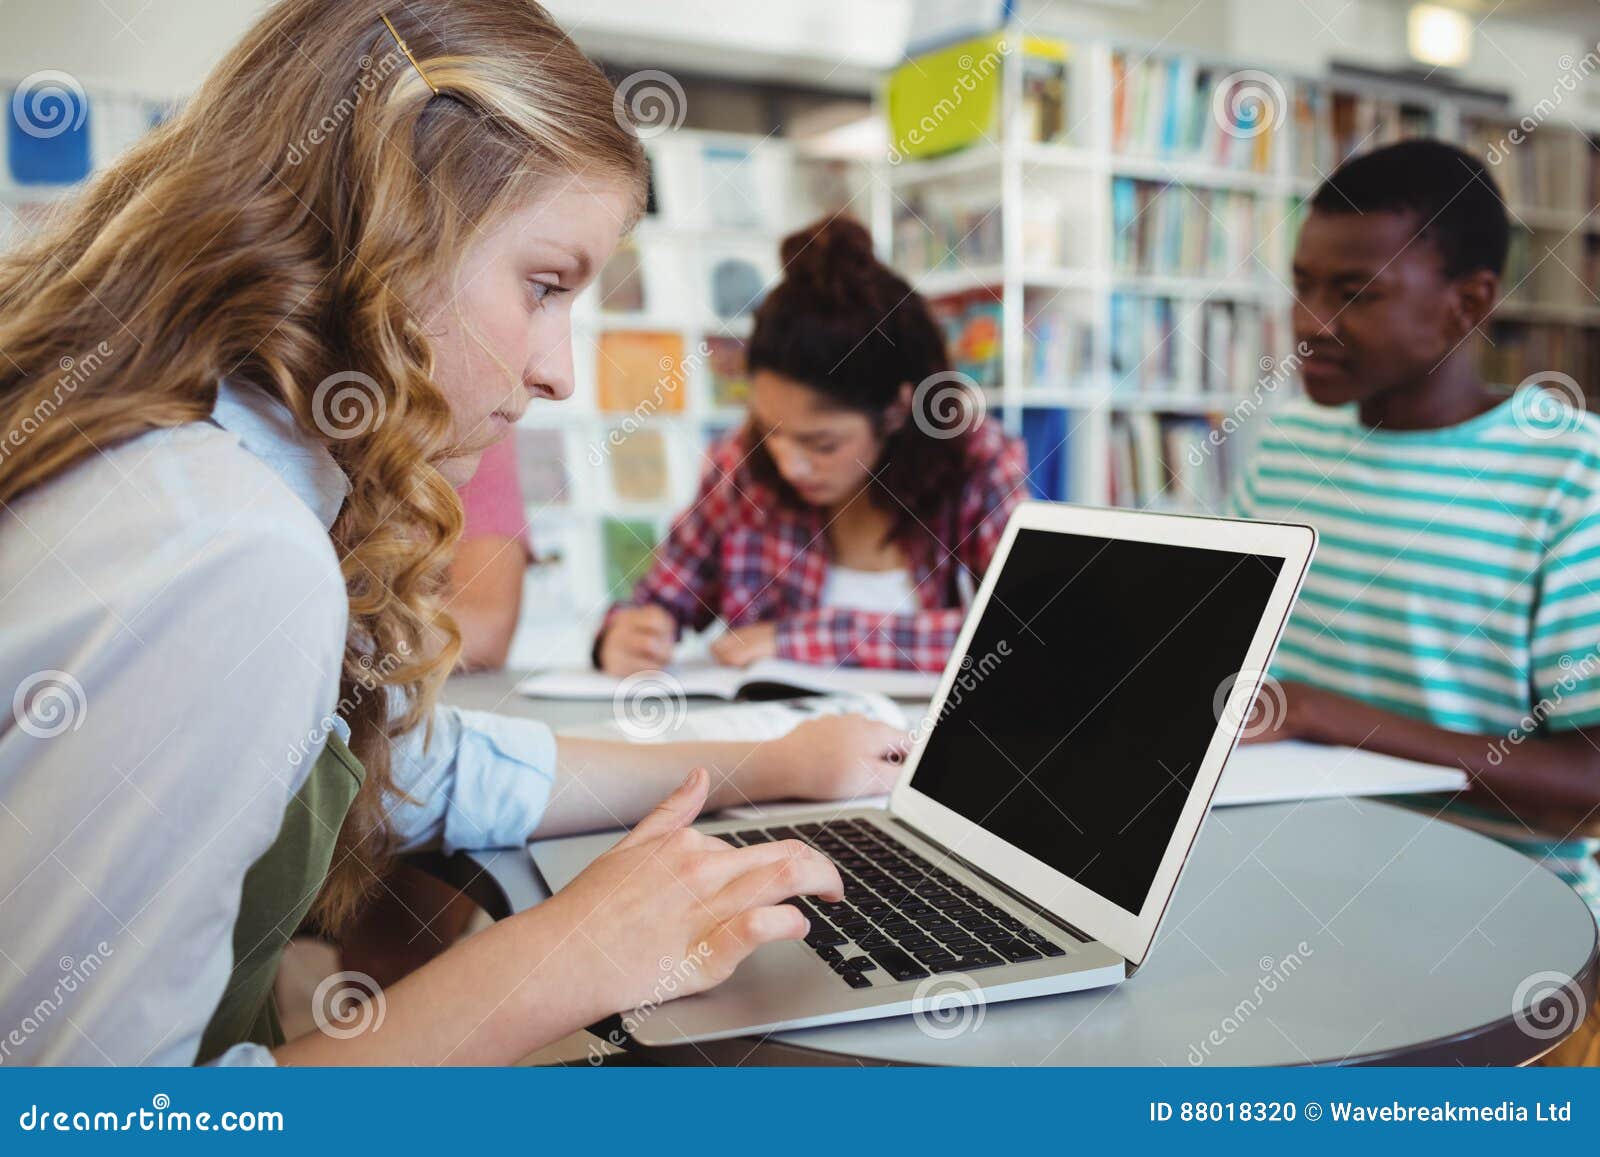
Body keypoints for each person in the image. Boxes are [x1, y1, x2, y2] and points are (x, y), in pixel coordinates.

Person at [0, 0, 908, 1066]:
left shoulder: (207, 466)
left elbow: (410, 760)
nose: (560, 372)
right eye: (543, 285)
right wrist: (564, 953)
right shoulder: (233, 553)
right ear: (386, 229)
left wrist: (769, 759)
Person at [1230, 139, 1600, 1064]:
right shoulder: (1287, 445)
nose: (1308, 322)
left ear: (1467, 303)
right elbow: (1230, 662)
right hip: (1273, 902)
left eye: (1354, 292)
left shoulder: (1571, 475)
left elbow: (1589, 794)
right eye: (1302, 283)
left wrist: (1323, 717)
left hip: (1488, 944)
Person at [595, 216, 1028, 676]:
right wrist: (626, 636)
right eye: (770, 431)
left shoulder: (976, 461)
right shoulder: (739, 463)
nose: (788, 464)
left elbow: (1022, 631)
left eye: (821, 443)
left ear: (899, 409)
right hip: (767, 742)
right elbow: (657, 600)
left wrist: (800, 638)